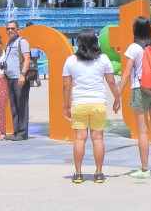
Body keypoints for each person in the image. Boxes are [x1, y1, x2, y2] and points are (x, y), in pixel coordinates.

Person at [63, 28, 121, 184]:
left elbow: (66, 86)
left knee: (79, 139)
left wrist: (66, 106)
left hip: (79, 103)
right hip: (98, 103)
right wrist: (117, 98)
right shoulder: (103, 59)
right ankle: (99, 173)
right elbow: (111, 82)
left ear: (79, 43)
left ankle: (78, 173)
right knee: (98, 139)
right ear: (96, 42)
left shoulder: (71, 60)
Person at [118, 16, 151, 179]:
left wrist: (117, 95)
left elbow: (126, 74)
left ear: (135, 30)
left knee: (143, 132)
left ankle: (145, 169)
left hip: (140, 90)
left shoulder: (134, 48)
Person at [3, 21, 32, 140]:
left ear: (17, 29)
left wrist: (22, 75)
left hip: (19, 78)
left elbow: (27, 58)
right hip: (10, 78)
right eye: (8, 29)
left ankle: (22, 132)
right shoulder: (9, 42)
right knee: (14, 106)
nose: (10, 31)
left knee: (22, 105)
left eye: (12, 28)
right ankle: (16, 130)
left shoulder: (22, 42)